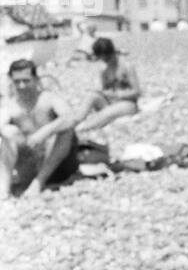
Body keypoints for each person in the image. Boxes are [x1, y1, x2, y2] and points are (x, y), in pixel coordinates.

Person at [0, 58, 79, 197]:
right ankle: (4, 188)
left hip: (58, 167)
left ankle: (39, 182)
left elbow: (71, 118)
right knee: (6, 132)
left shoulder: (48, 99)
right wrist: (6, 131)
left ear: (35, 79)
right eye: (17, 82)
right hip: (29, 165)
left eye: (26, 80)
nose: (22, 86)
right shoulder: (11, 106)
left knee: (66, 131)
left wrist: (45, 131)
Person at [76, 38, 141, 133]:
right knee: (91, 95)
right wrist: (101, 92)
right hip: (110, 102)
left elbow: (137, 91)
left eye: (107, 58)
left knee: (107, 113)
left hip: (127, 103)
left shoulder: (127, 66)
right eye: (102, 59)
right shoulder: (103, 70)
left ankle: (81, 129)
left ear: (113, 53)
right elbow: (105, 90)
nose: (106, 61)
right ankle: (75, 121)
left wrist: (117, 95)